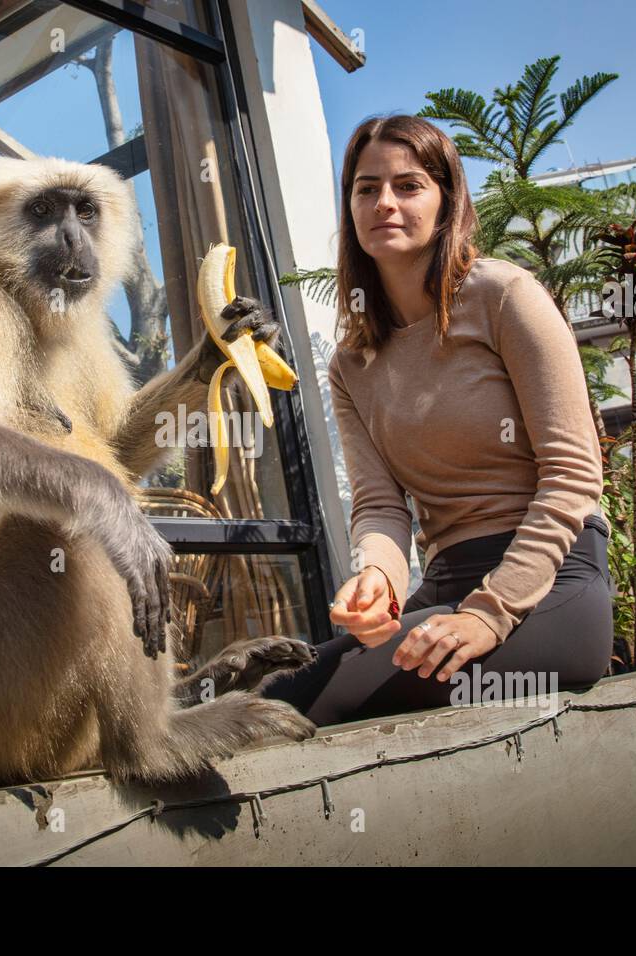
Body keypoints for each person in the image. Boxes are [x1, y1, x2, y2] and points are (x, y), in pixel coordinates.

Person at [259, 115, 612, 726]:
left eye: (409, 185)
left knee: (299, 702)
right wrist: (378, 580)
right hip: (446, 586)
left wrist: (490, 613)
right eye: (366, 188)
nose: (384, 203)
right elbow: (380, 507)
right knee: (275, 688)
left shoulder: (504, 296)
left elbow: (574, 475)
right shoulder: (352, 362)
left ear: (448, 200)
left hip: (549, 589)